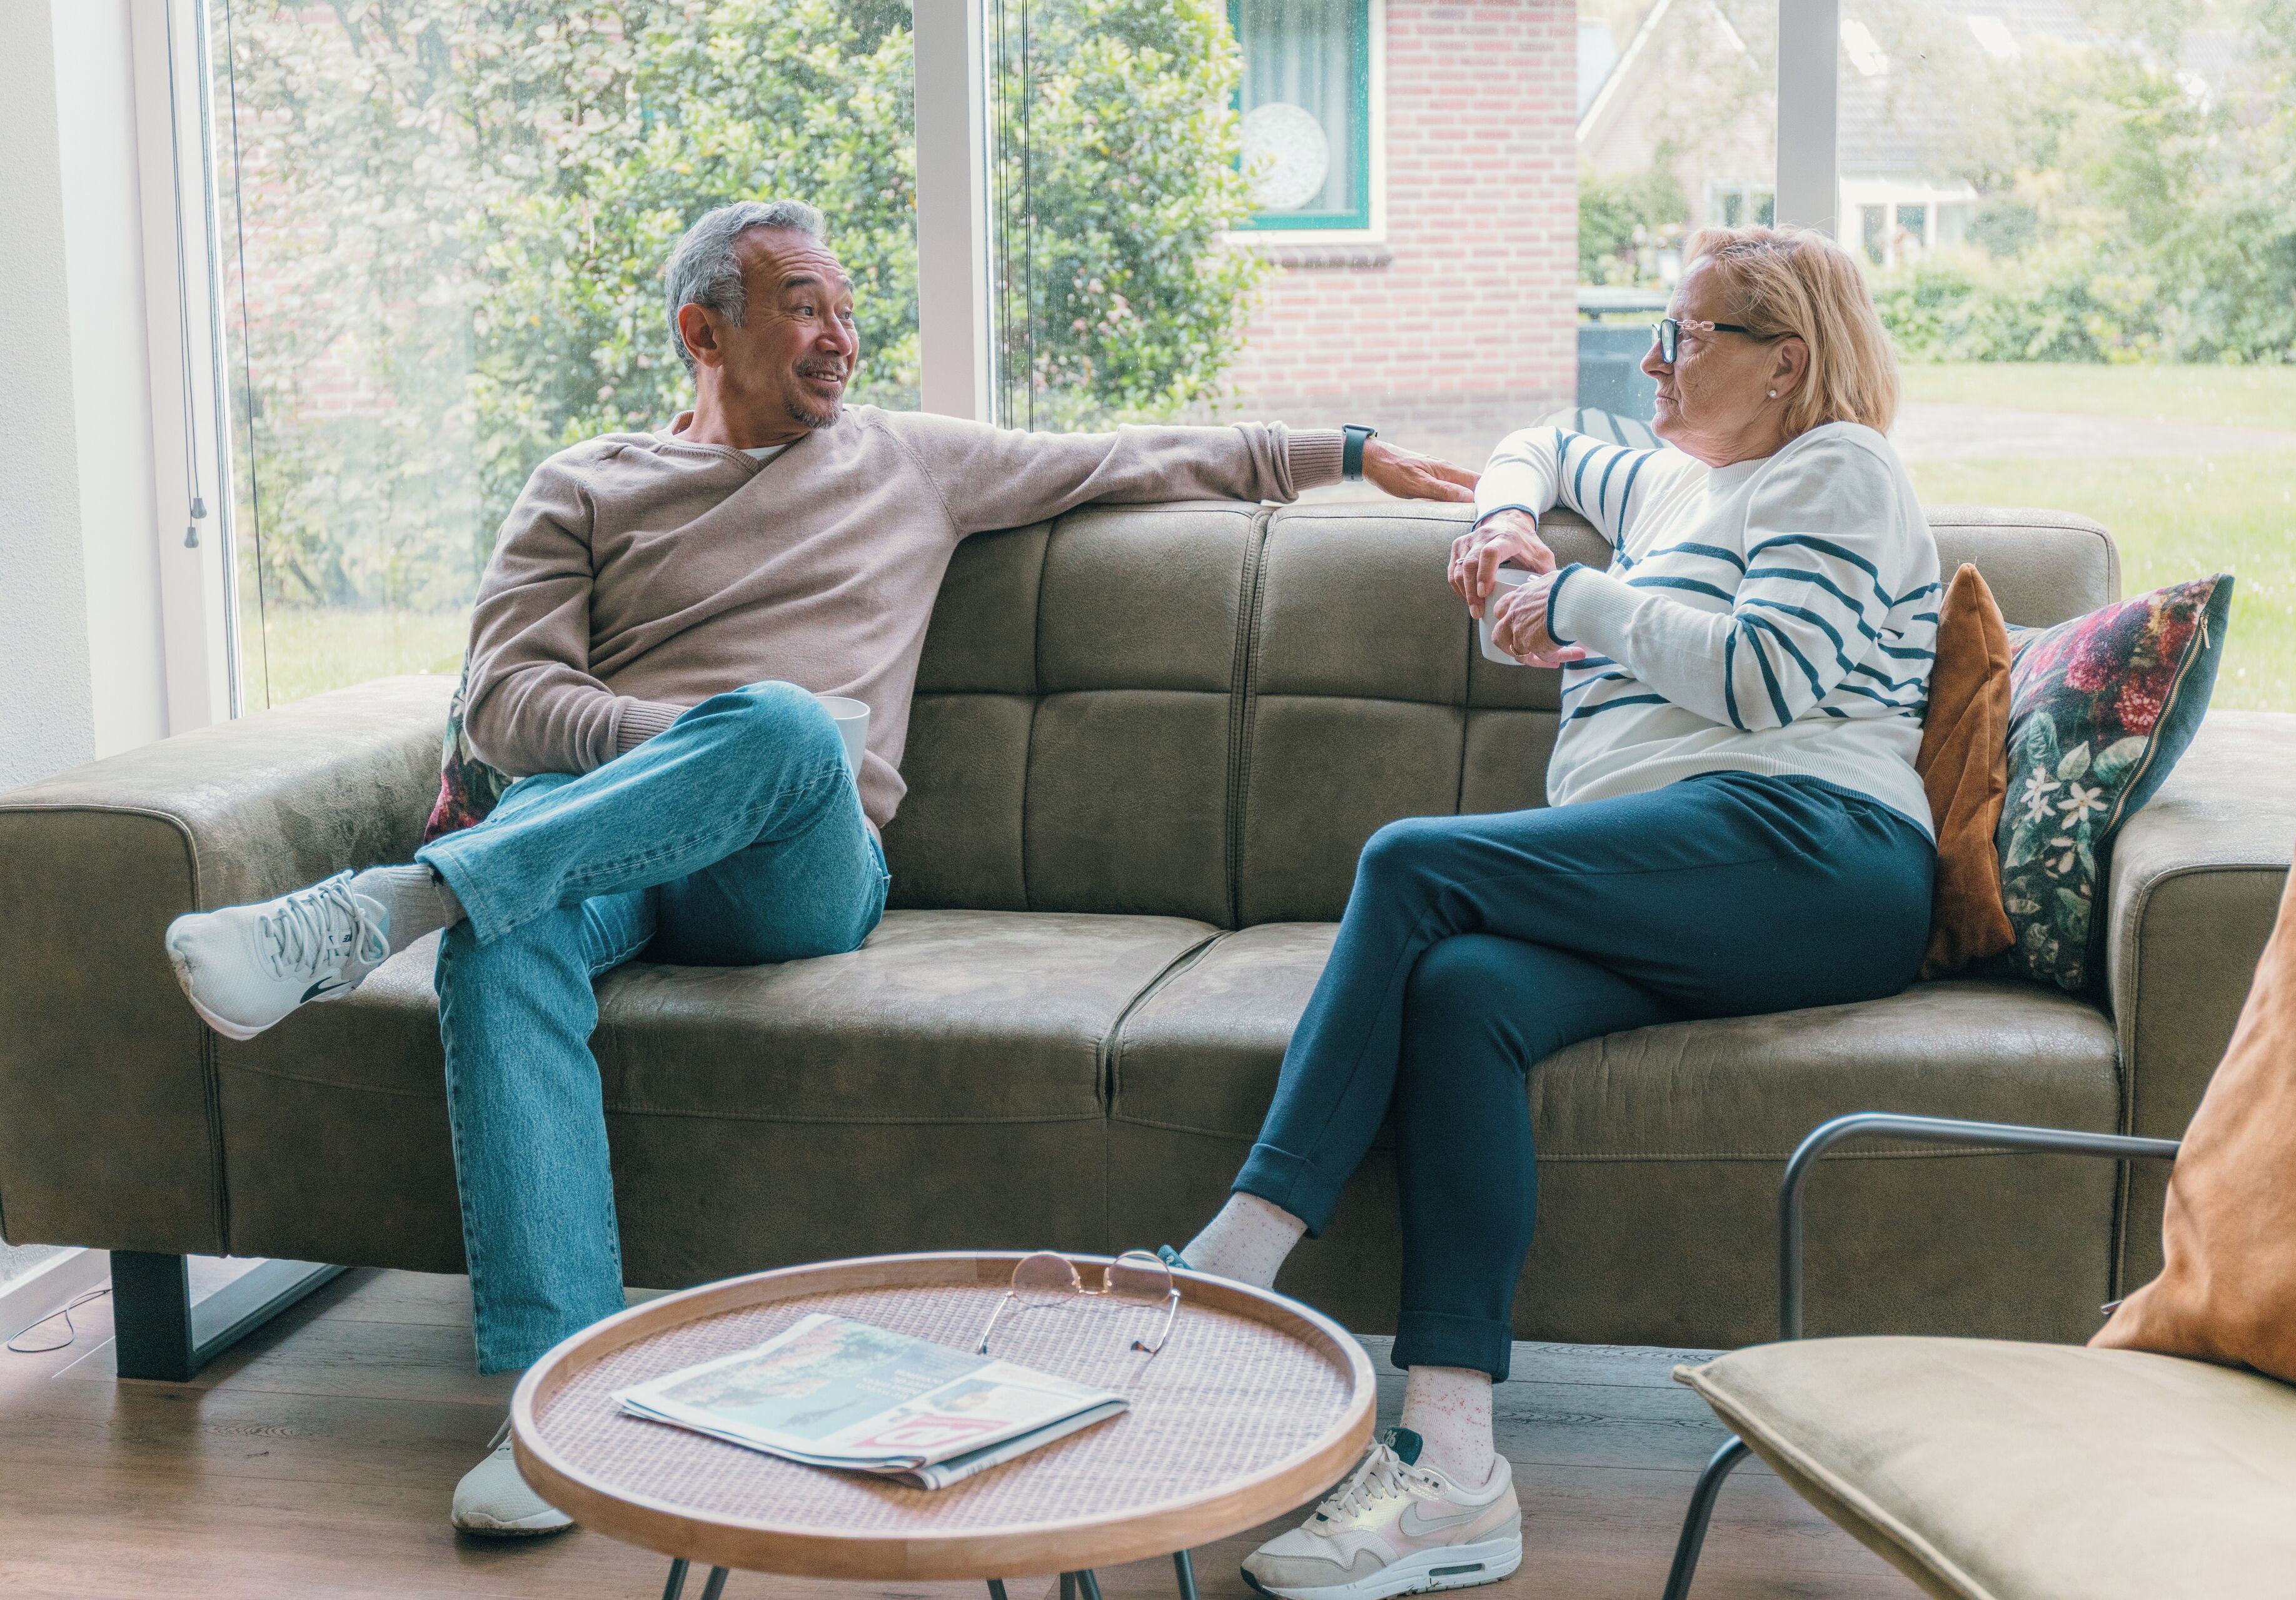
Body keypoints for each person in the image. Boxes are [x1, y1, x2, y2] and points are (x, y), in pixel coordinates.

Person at [159, 198, 1476, 1536]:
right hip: (605, 847)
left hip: (793, 875)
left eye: (848, 309)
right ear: (702, 329)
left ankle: (395, 904)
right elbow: (504, 697)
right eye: (805, 305)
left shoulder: (908, 460)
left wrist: (1349, 448)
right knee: (517, 930)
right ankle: (549, 1412)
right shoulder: (584, 484)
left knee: (790, 725)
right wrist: (692, 742)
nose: (841, 335)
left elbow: (1130, 457)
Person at [1173, 224, 1942, 1600]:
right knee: (1465, 991)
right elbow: (1539, 436)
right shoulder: (1665, 485)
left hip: (1814, 845)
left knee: (1416, 864)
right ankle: (1453, 1463)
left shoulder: (1839, 470)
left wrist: (1574, 600)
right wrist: (1503, 523)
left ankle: (1236, 1265)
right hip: (1686, 871)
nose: (1654, 356)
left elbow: (1772, 680)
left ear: (1788, 363)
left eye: (1692, 334)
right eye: (1660, 324)